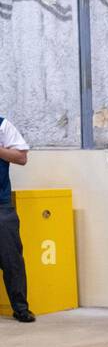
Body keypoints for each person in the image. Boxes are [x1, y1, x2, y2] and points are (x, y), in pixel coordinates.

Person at [0, 112, 35, 322]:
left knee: (11, 259)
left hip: (1, 205)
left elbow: (21, 157)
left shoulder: (2, 125)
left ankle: (20, 308)